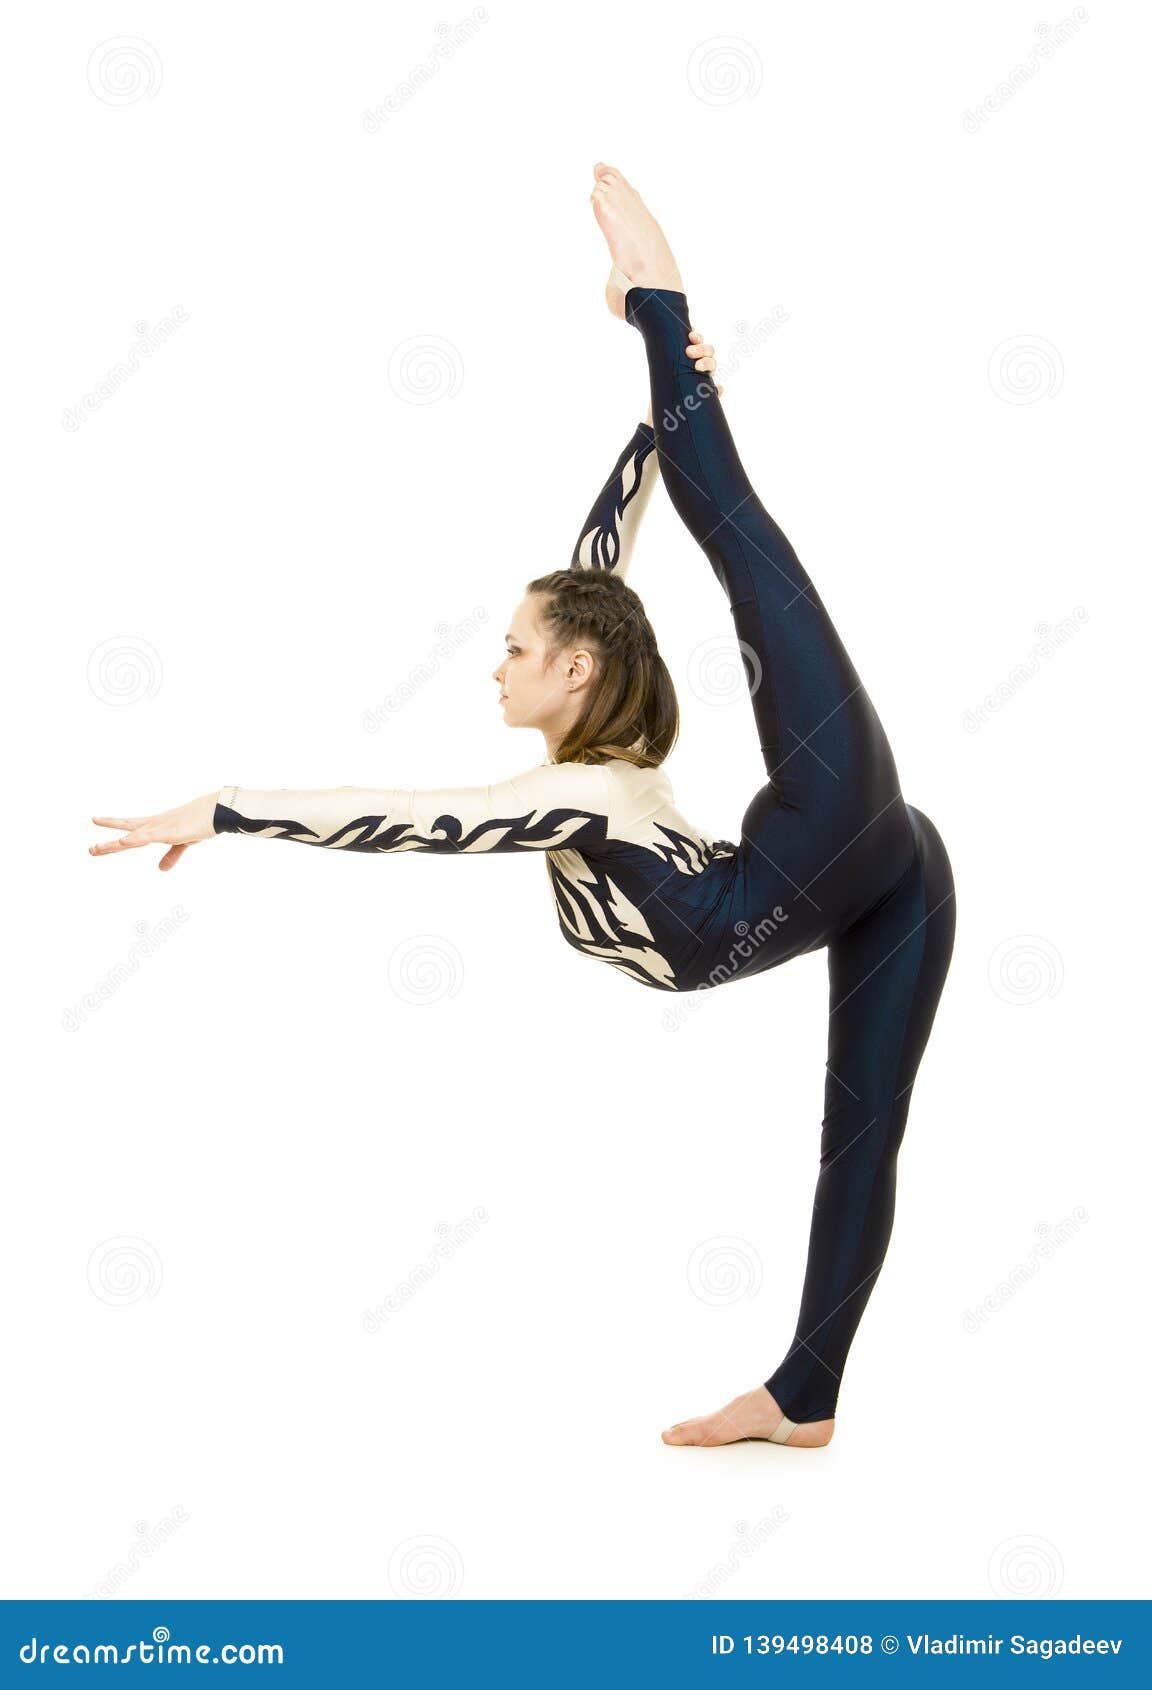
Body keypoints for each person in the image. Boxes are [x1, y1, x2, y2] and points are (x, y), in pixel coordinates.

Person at [90, 164, 956, 1449]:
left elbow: (383, 812)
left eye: (513, 647)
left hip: (839, 840)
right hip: (870, 870)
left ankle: (661, 296)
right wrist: (657, 416)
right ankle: (804, 1402)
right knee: (860, 1140)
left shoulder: (573, 793)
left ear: (578, 669)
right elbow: (582, 581)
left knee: (739, 532)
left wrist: (217, 809)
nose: (494, 663)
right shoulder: (583, 787)